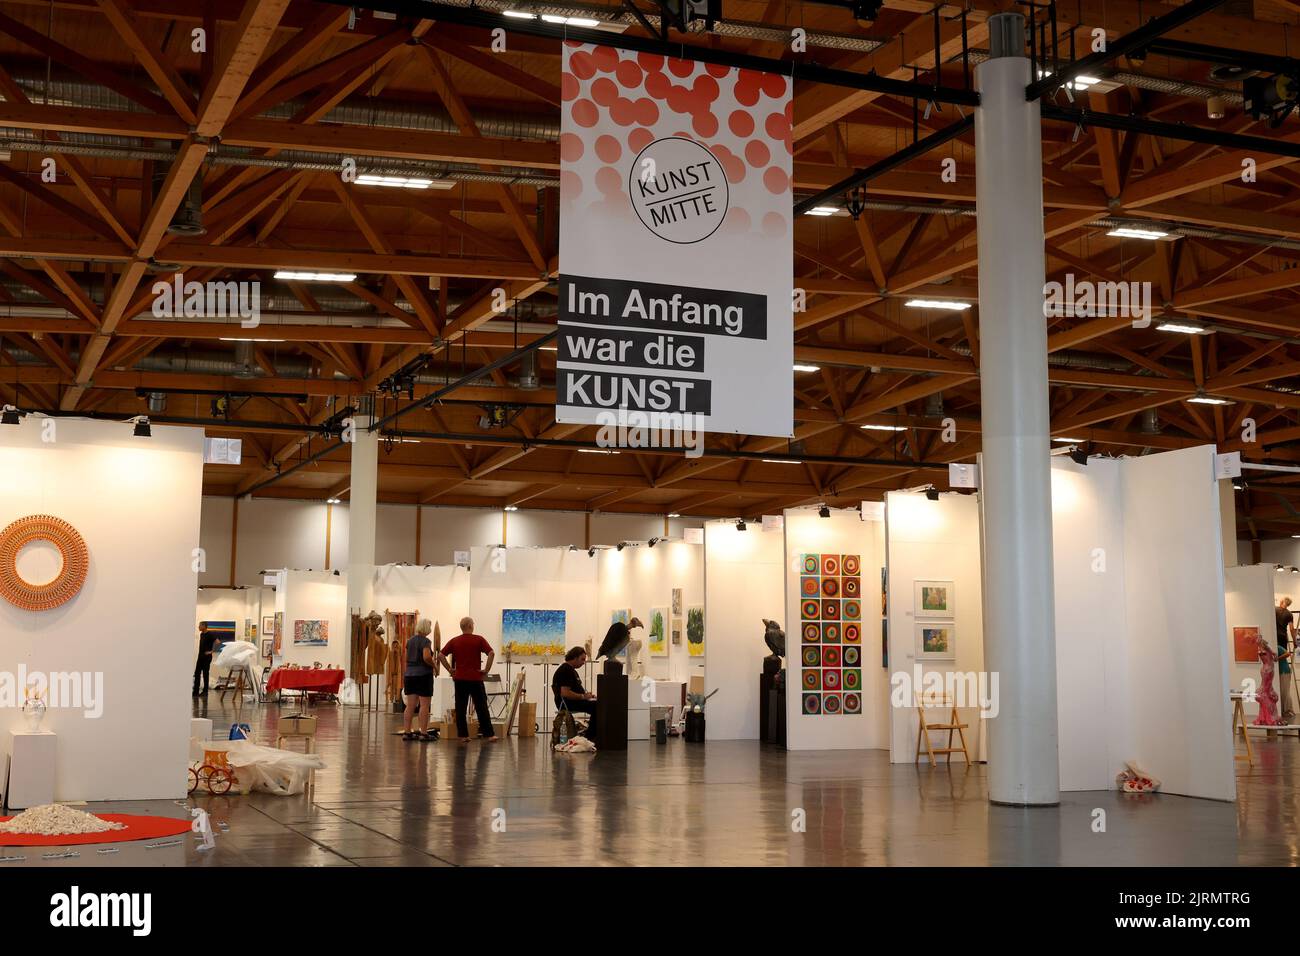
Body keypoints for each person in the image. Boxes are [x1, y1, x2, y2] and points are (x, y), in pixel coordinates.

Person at [438, 617, 498, 743]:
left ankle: (463, 735)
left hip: (460, 679)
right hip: (475, 678)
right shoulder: (479, 639)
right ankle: (489, 734)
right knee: (481, 706)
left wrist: (450, 669)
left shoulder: (455, 641)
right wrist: (486, 669)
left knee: (460, 707)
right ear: (470, 626)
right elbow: (491, 653)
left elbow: (440, 655)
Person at [402, 619, 438, 741]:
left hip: (409, 675)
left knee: (410, 705)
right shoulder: (426, 641)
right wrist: (434, 666)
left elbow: (406, 658)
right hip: (423, 675)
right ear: (426, 628)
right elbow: (427, 656)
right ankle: (423, 733)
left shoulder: (409, 641)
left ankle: (407, 732)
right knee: (424, 705)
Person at [553, 646, 597, 740]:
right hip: (568, 703)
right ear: (575, 657)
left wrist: (587, 696)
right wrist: (583, 696)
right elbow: (565, 693)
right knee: (597, 707)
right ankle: (591, 735)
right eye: (582, 659)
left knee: (598, 705)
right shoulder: (566, 670)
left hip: (573, 701)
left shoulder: (571, 670)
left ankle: (592, 733)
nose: (583, 662)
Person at [1276, 597, 1297, 724]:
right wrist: (1294, 641)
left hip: (1274, 638)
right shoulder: (1289, 614)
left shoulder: (1274, 609)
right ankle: (1284, 708)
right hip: (1283, 639)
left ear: (1282, 602)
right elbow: (1291, 629)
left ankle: (1282, 708)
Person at [192, 623, 216, 697]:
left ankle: (205, 691)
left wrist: (211, 651)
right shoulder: (201, 634)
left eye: (200, 625)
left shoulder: (210, 634)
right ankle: (196, 691)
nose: (198, 627)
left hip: (207, 658)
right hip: (200, 657)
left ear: (204, 626)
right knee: (197, 673)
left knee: (205, 674)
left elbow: (217, 642)